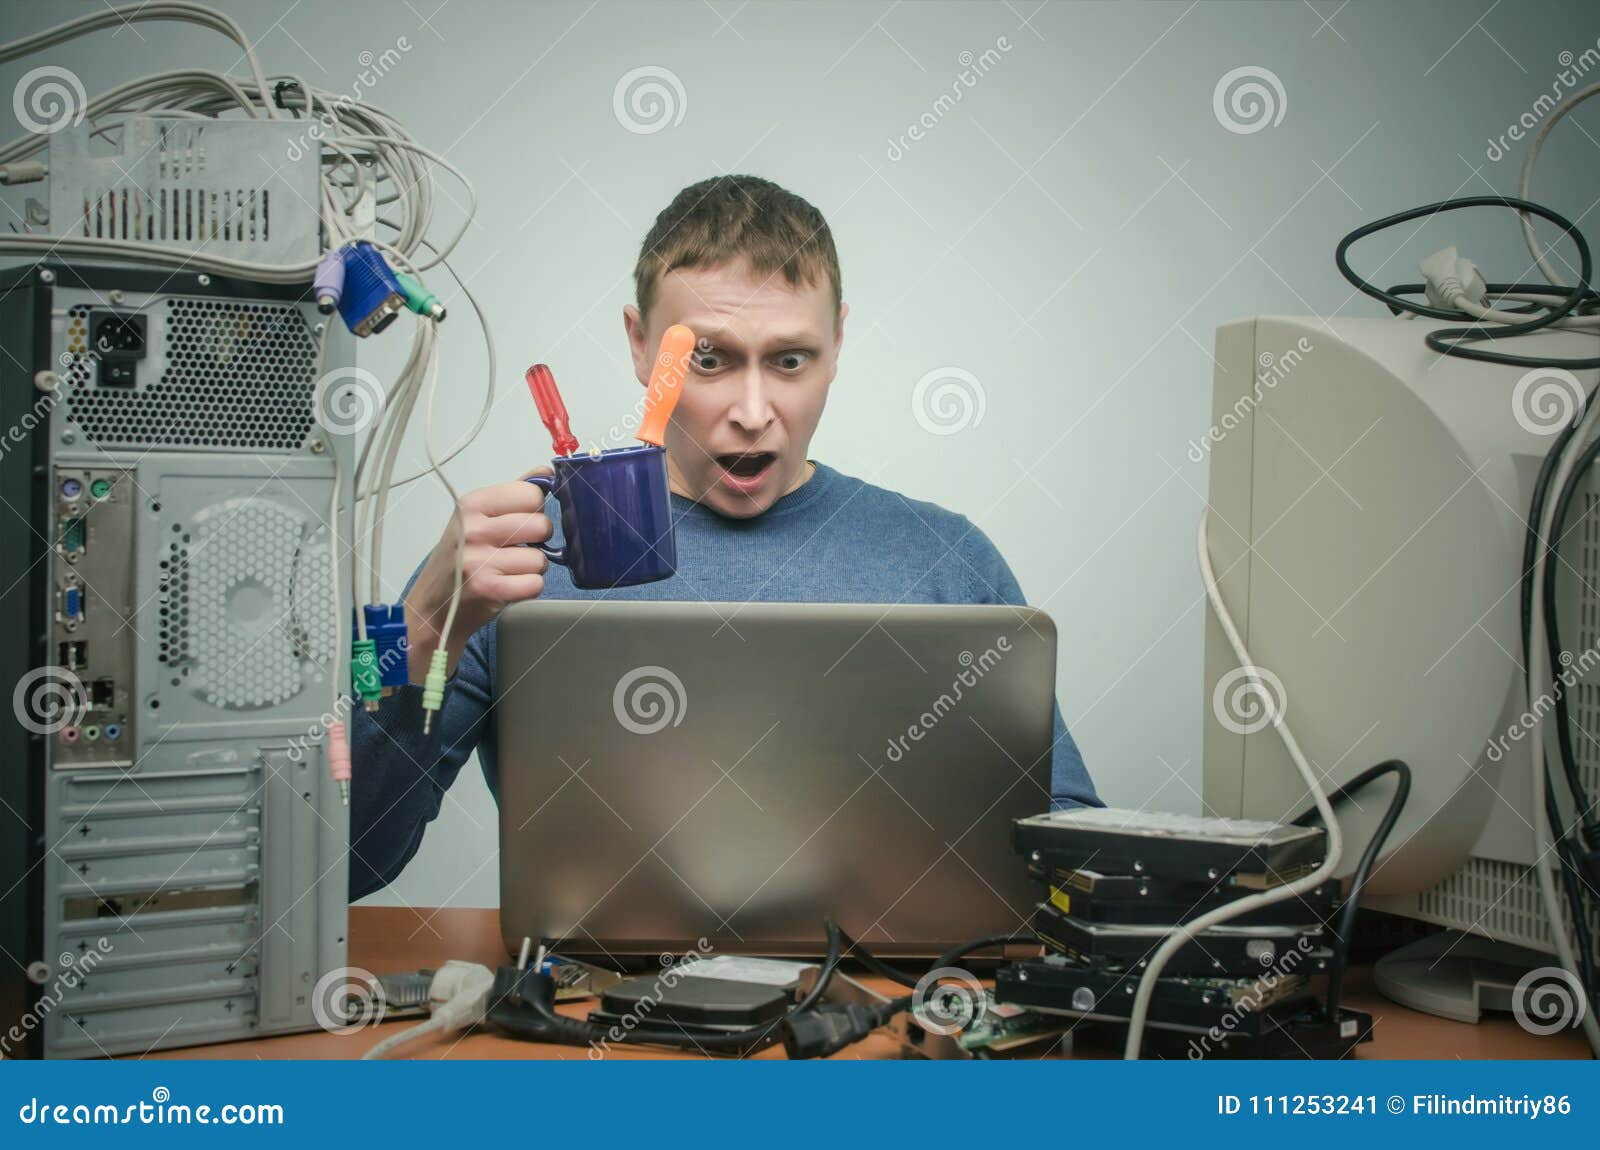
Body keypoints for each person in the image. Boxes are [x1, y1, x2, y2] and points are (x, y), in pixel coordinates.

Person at [350, 174, 1098, 898]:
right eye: (708, 360)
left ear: (838, 343)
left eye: (790, 360)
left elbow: (1070, 844)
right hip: (591, 983)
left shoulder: (948, 561)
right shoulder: (508, 568)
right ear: (640, 344)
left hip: (886, 980)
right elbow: (340, 868)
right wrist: (420, 623)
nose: (752, 411)